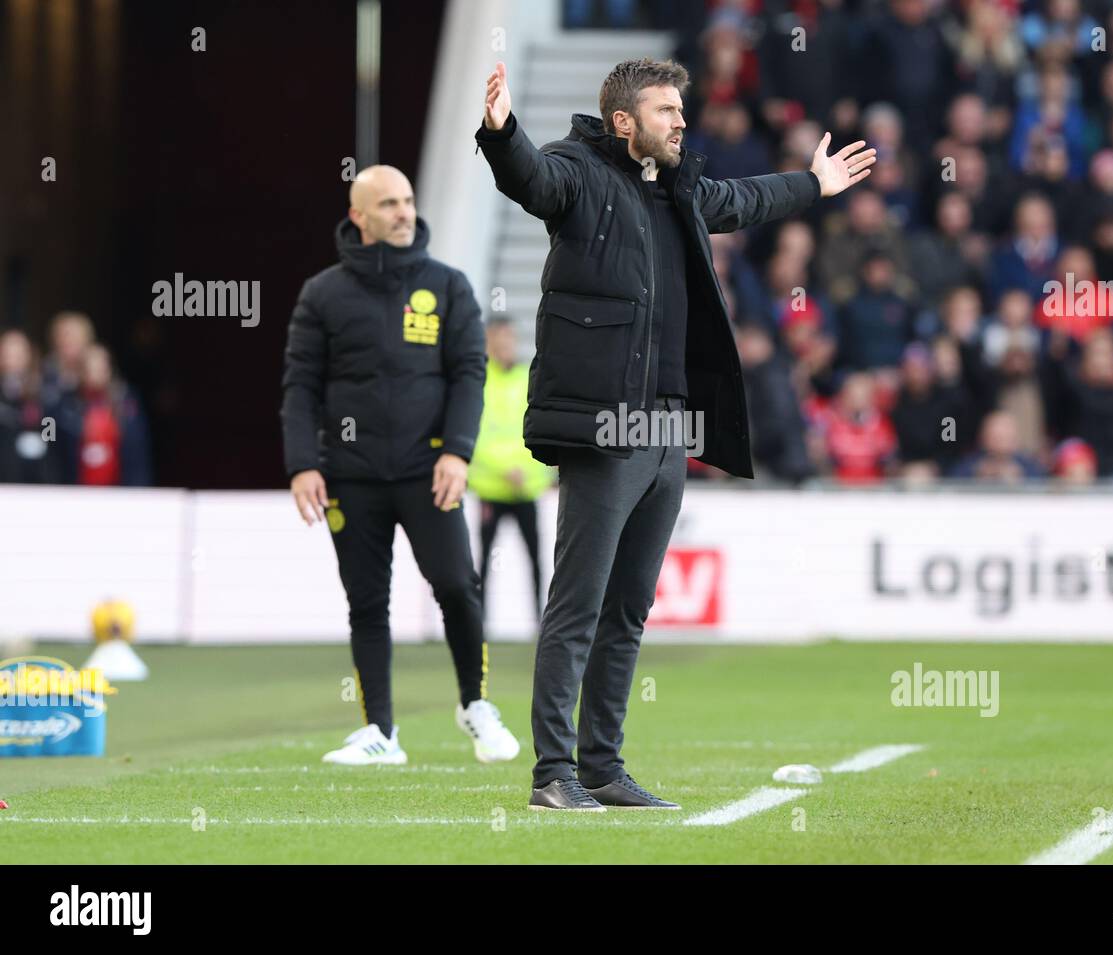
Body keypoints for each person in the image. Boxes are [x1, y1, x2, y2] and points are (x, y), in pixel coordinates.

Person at [476, 58, 874, 810]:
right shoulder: (577, 171)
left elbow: (743, 199)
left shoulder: (682, 187)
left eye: (682, 111)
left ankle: (601, 766)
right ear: (624, 121)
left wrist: (812, 185)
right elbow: (531, 181)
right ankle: (552, 773)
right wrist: (500, 133)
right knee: (579, 604)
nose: (681, 122)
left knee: (629, 607)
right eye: (666, 111)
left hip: (668, 426)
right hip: (607, 426)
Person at [280, 164, 519, 766]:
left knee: (458, 588)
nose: (404, 211)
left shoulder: (448, 286)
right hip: (350, 475)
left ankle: (475, 704)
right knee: (366, 603)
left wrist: (458, 452)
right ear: (359, 216)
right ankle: (380, 732)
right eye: (388, 203)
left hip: (428, 469)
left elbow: (469, 374)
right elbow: (300, 387)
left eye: (408, 200)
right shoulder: (322, 293)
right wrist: (303, 464)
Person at [467, 316, 555, 628]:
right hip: (491, 489)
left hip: (525, 488)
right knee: (482, 562)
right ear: (489, 343)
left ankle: (540, 622)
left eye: (510, 339)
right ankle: (479, 624)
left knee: (536, 558)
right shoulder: (478, 383)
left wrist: (526, 470)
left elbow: (537, 430)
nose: (507, 346)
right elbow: (474, 437)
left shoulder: (527, 379)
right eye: (500, 340)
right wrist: (505, 469)